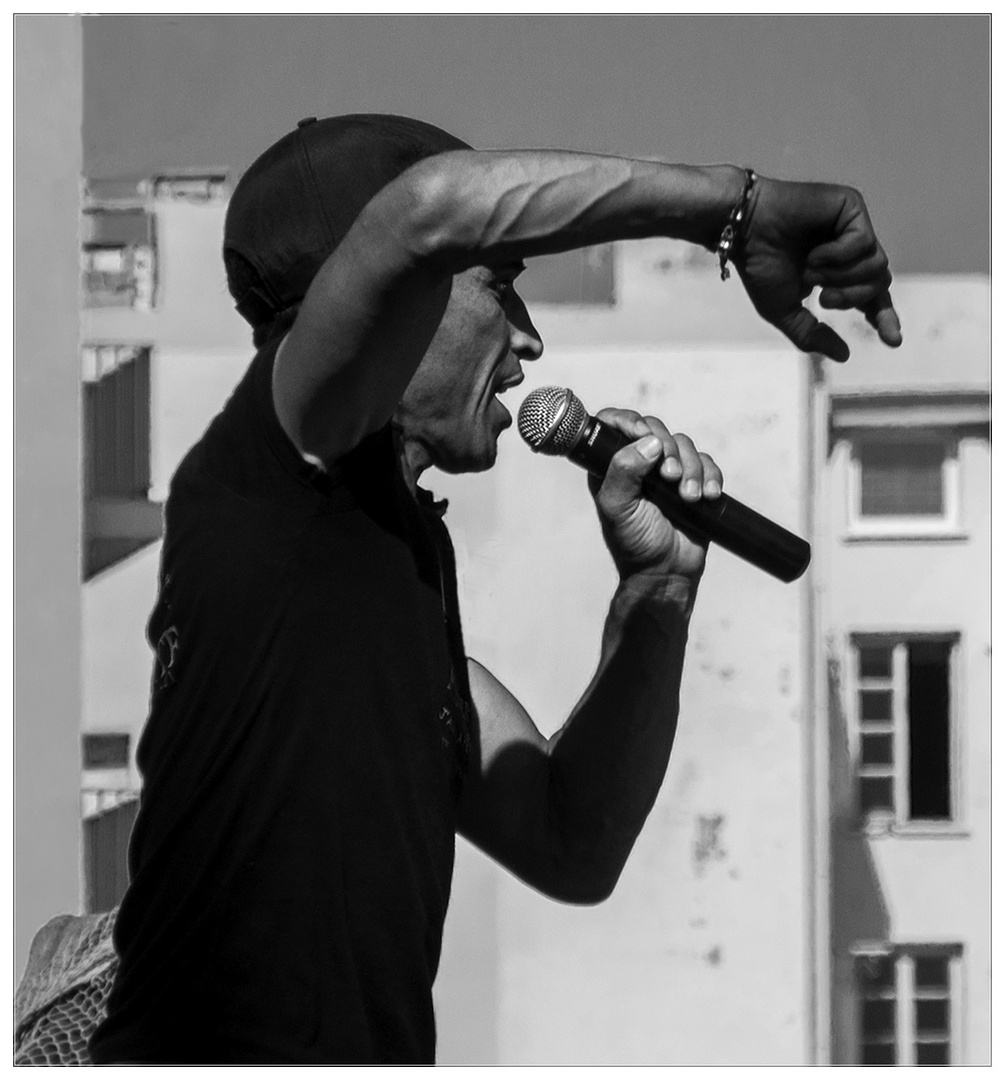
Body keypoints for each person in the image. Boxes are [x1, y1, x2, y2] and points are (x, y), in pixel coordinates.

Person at [88, 114, 901, 1065]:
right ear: (386, 299)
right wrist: (738, 210)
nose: (529, 341)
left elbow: (570, 841)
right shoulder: (283, 455)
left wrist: (656, 594)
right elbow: (429, 210)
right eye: (498, 286)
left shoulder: (391, 574)